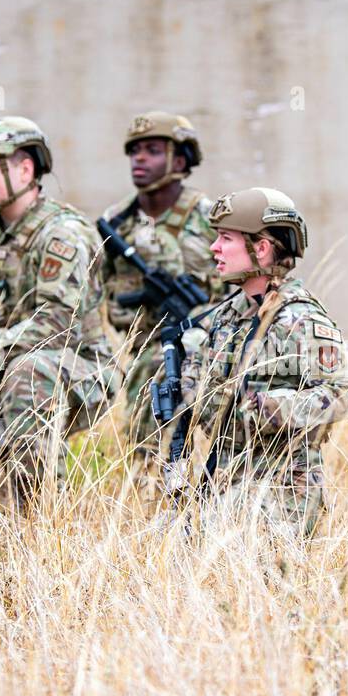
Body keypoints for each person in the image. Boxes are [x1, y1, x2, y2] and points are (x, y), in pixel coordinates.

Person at [0, 116, 116, 505]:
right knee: (2, 473)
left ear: (25, 169)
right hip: (4, 369)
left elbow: (55, 322)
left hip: (81, 369)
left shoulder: (60, 233)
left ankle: (44, 518)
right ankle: (15, 528)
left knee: (28, 373)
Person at [176, 187, 348, 539]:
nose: (214, 248)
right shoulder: (227, 316)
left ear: (260, 248)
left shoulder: (301, 319)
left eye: (226, 238)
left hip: (281, 490)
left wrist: (272, 409)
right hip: (223, 479)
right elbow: (203, 381)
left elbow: (346, 393)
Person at [98, 111, 219, 458]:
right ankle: (149, 493)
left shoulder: (210, 217)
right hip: (146, 350)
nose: (139, 158)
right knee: (148, 450)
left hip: (210, 347)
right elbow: (96, 291)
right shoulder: (116, 223)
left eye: (152, 150)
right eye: (134, 150)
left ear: (179, 159)